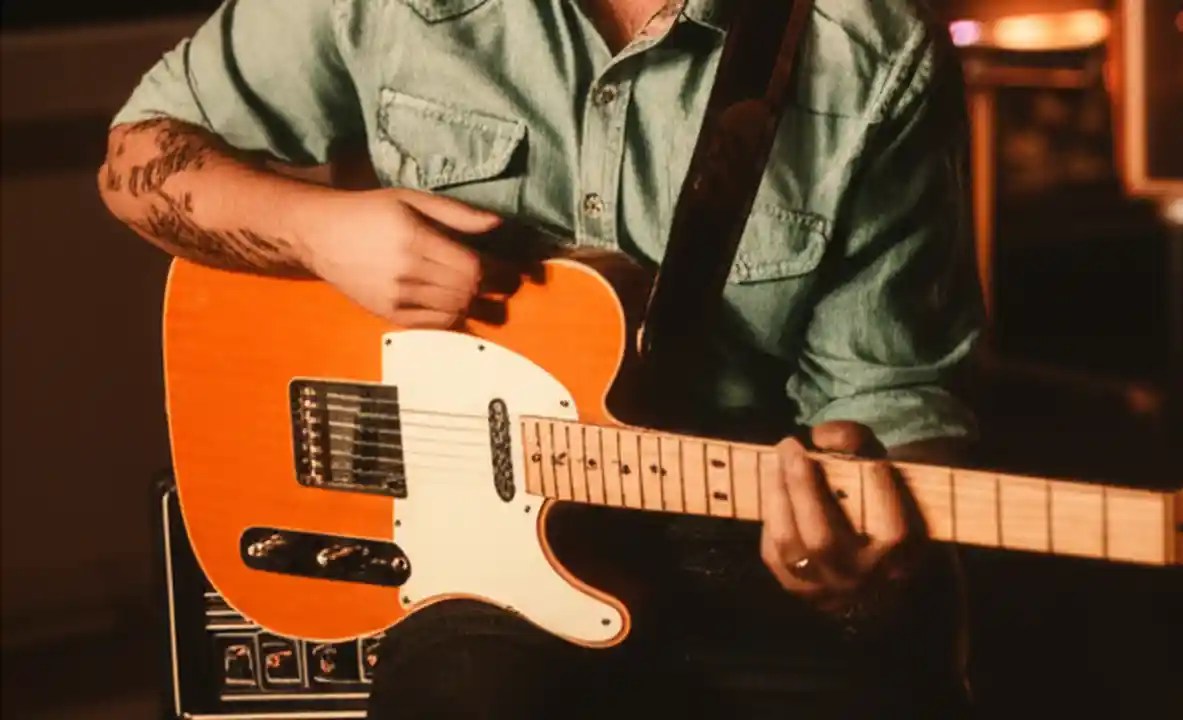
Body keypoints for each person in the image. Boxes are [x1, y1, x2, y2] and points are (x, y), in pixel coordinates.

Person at [99, 0, 986, 717]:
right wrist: (324, 230)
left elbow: (893, 393)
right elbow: (138, 154)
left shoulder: (871, 49)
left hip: (743, 543)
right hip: (473, 560)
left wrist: (863, 568)